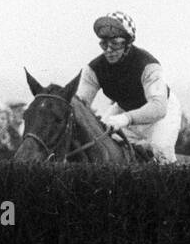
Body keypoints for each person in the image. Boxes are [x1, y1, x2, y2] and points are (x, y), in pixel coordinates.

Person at [74, 11, 183, 163]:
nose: (109, 50)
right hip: (125, 110)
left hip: (160, 114)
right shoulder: (93, 69)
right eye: (104, 44)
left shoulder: (148, 65)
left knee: (161, 148)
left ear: (128, 43)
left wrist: (126, 118)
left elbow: (158, 107)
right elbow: (81, 105)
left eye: (115, 43)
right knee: (98, 140)